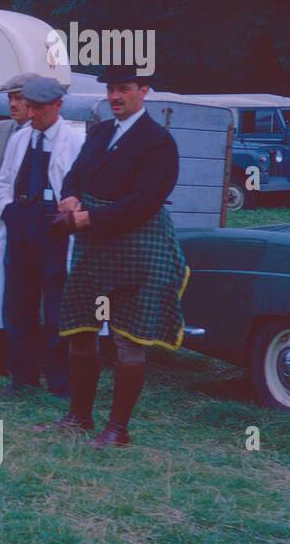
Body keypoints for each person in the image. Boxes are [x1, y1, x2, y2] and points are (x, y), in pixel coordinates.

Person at [37, 66, 188, 447]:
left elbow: (145, 202)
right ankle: (79, 417)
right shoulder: (100, 131)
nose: (116, 97)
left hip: (137, 246)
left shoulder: (158, 141)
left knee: (126, 338)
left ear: (144, 91)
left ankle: (118, 430)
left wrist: (87, 218)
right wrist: (70, 196)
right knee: (80, 328)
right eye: (111, 90)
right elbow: (76, 174)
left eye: (124, 89)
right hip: (94, 245)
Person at [0, 75, 84, 398]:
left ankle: (60, 382)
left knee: (58, 309)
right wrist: (8, 212)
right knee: (18, 305)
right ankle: (22, 378)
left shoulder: (74, 140)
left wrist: (67, 215)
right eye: (28, 107)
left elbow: (81, 187)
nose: (31, 114)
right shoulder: (20, 139)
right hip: (21, 229)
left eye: (38, 108)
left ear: (58, 106)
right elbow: (3, 181)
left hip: (55, 233)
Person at [0, 72, 36, 375]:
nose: (13, 104)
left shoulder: (42, 134)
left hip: (26, 224)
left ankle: (21, 353)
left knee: (20, 286)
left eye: (19, 98)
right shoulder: (0, 130)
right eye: (10, 98)